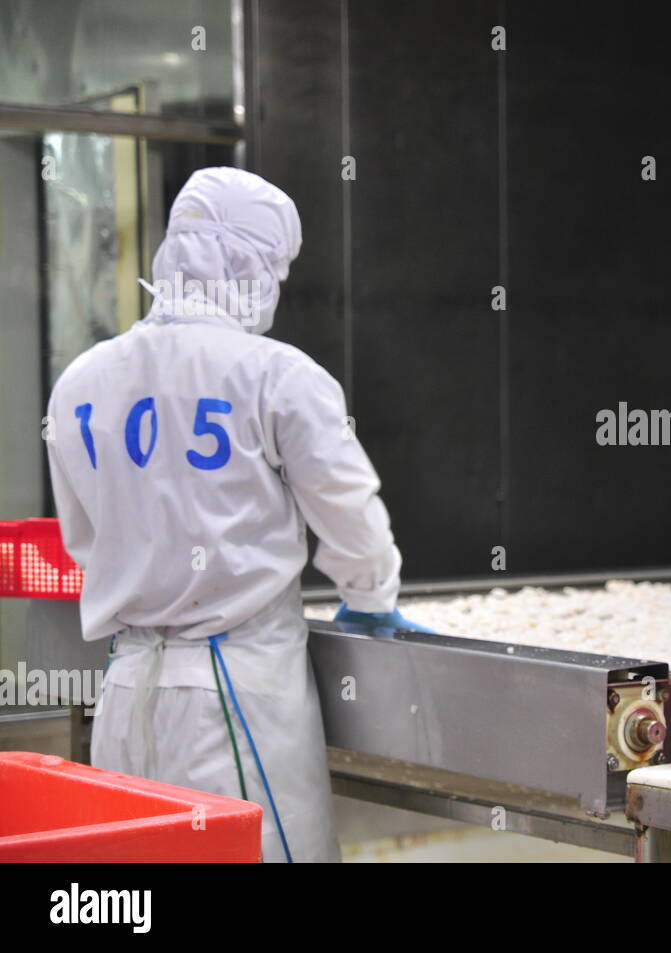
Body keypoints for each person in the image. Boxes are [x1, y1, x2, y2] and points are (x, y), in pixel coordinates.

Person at [46, 166, 429, 863]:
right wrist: (371, 597)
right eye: (276, 271)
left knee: (133, 888)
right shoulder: (278, 376)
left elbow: (83, 539)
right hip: (236, 699)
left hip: (127, 691)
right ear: (250, 264)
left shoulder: (80, 382)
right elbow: (349, 516)